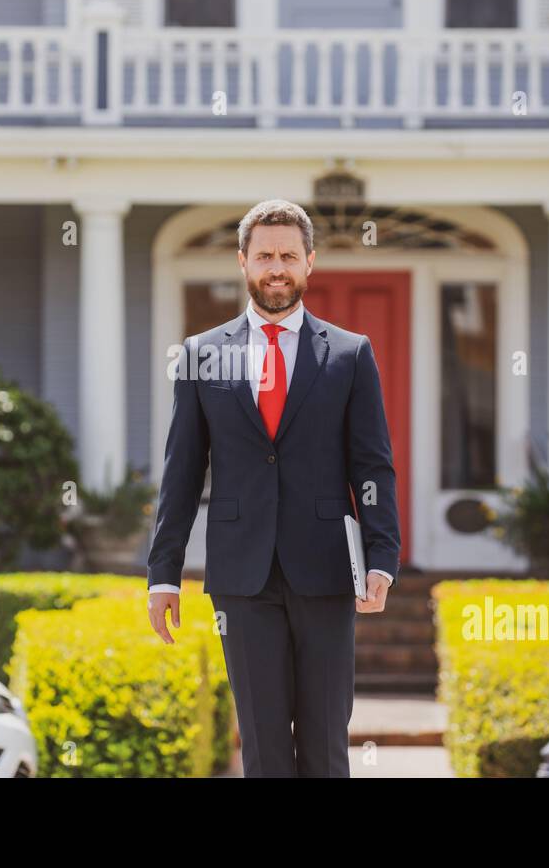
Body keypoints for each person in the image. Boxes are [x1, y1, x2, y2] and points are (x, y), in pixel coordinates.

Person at [145, 198, 402, 777]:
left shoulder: (349, 354)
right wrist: (164, 574)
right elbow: (182, 472)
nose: (277, 268)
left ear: (310, 262)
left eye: (288, 256)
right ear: (243, 261)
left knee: (325, 744)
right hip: (241, 578)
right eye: (265, 256)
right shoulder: (201, 355)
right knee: (262, 747)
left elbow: (372, 467)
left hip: (327, 571)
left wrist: (382, 558)